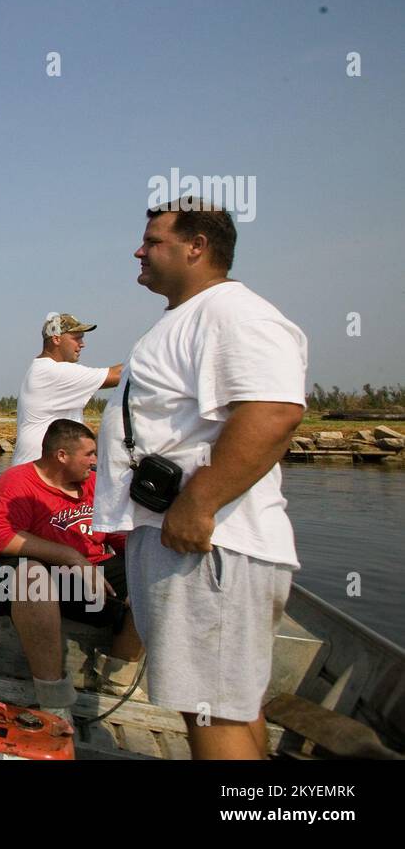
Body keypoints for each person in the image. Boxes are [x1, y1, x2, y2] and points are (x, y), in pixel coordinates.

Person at [92, 196, 307, 760]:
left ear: (197, 247)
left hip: (206, 545)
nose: (139, 250)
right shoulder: (186, 318)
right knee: (229, 705)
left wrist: (197, 505)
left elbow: (274, 410)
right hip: (191, 543)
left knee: (214, 710)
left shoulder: (232, 313)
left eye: (154, 241)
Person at [0, 419, 144, 724]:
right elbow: (3, 538)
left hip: (79, 579)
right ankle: (53, 701)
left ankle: (117, 676)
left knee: (151, 568)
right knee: (32, 579)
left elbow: (116, 536)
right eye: (89, 454)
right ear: (61, 455)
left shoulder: (93, 485)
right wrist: (72, 557)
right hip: (15, 576)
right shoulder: (17, 483)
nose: (95, 461)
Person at [12, 313, 122, 465]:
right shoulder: (52, 371)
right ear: (56, 339)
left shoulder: (42, 369)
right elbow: (118, 375)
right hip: (37, 476)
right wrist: (152, 352)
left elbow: (73, 422)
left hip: (41, 471)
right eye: (76, 338)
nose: (82, 344)